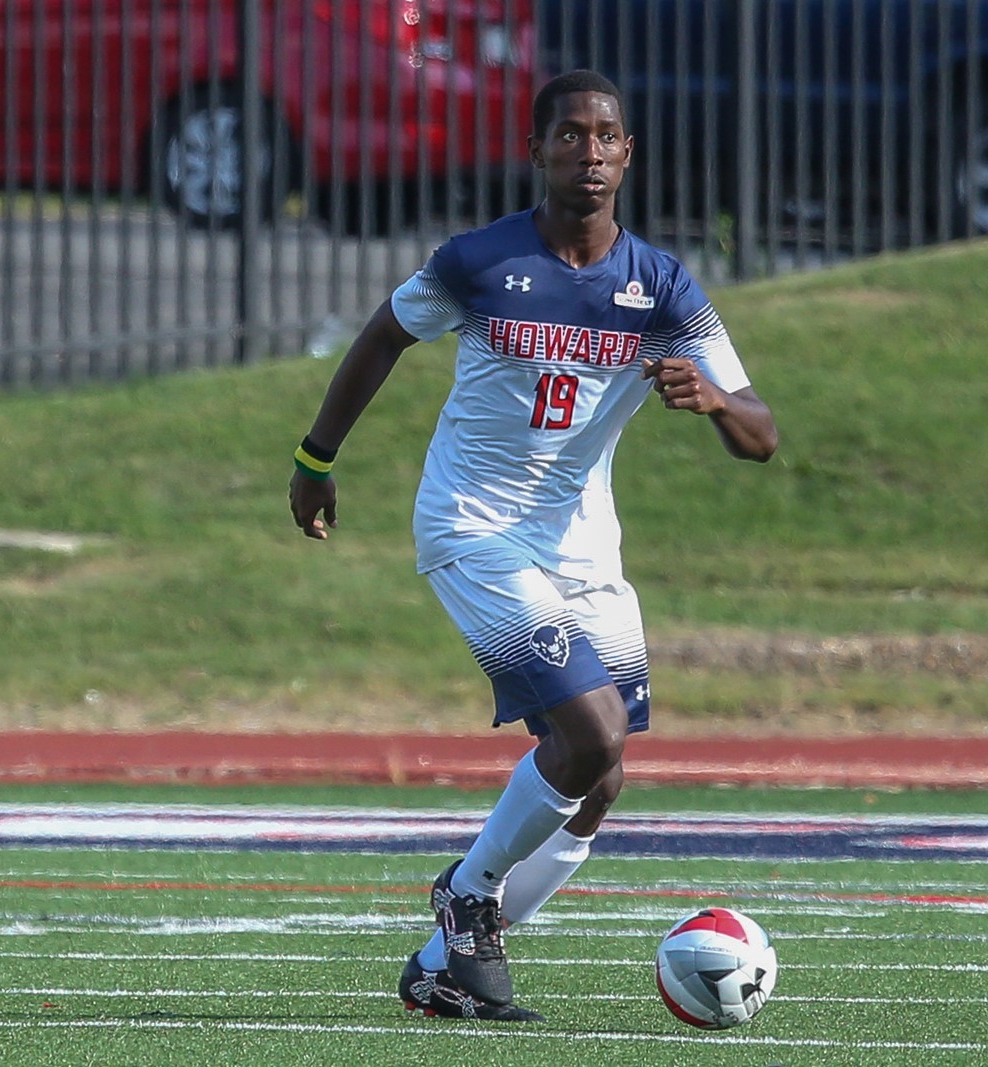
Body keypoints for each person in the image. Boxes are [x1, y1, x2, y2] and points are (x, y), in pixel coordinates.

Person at [287, 69, 778, 1022]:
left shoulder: (662, 287)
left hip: (583, 546)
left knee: (604, 773)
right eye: (568, 135)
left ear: (628, 155)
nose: (587, 152)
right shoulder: (479, 262)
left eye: (605, 136)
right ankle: (468, 895)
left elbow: (762, 429)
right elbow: (383, 337)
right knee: (587, 730)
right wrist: (316, 456)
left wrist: (715, 401)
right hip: (473, 526)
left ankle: (441, 965)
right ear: (536, 150)